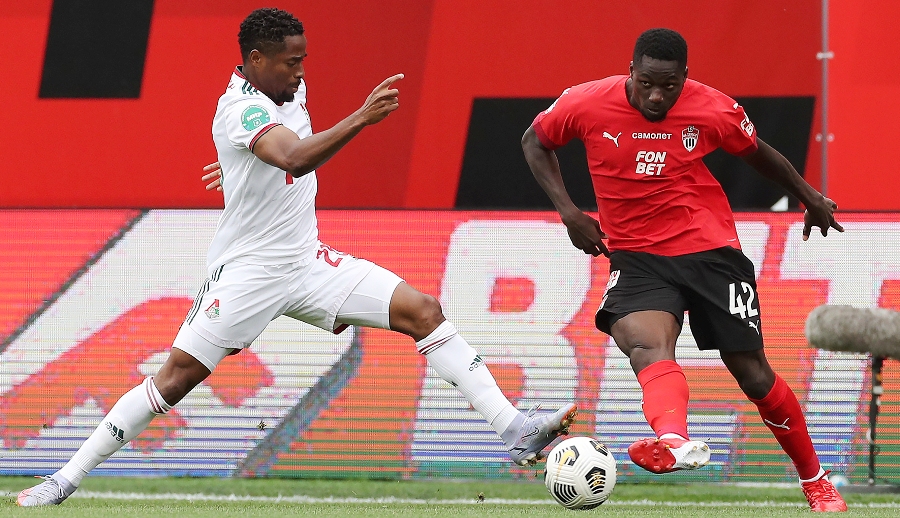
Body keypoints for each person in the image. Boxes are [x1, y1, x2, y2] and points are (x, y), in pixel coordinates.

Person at [17, 7, 576, 507]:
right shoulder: (240, 108)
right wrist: (360, 118)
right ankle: (63, 480)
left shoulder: (289, 90)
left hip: (308, 263)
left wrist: (237, 171)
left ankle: (513, 427)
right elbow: (294, 158)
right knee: (174, 380)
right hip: (248, 273)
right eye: (290, 62)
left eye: (303, 60)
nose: (301, 71)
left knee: (422, 310)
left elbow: (275, 155)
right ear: (255, 60)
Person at [521, 28, 847, 512]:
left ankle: (816, 481)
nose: (657, 96)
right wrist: (569, 212)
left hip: (709, 250)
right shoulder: (584, 103)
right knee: (643, 345)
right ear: (631, 71)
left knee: (754, 375)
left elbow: (759, 153)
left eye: (669, 86)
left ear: (685, 78)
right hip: (637, 257)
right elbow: (534, 140)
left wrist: (811, 197)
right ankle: (674, 440)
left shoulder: (713, 108)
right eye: (647, 84)